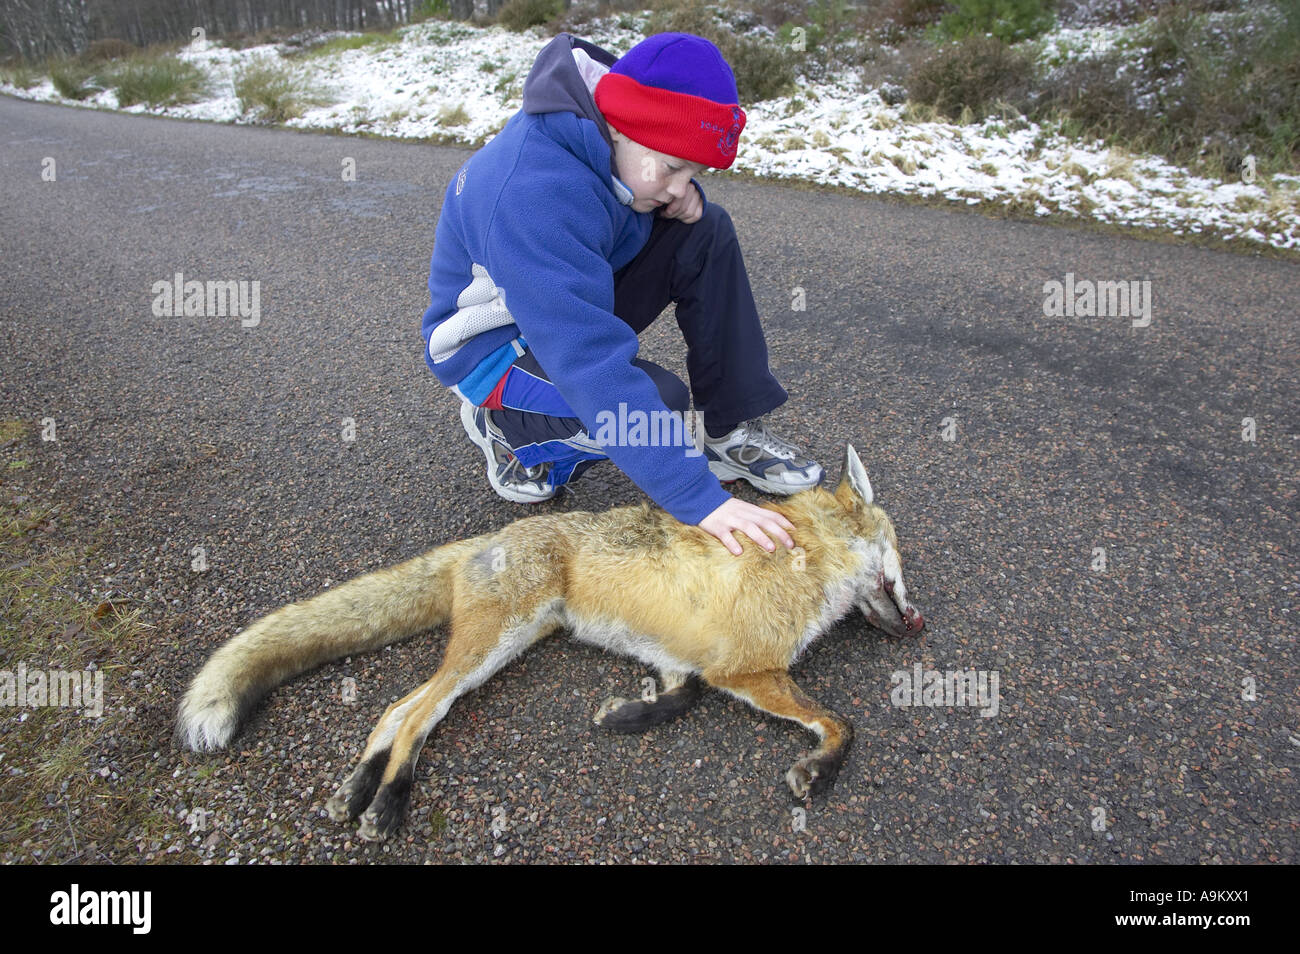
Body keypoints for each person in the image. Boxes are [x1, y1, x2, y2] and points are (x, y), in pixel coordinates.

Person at [420, 31, 823, 556]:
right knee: (659, 404)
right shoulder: (534, 190)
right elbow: (588, 360)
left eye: (693, 171)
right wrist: (697, 498)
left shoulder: (612, 141)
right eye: (674, 168)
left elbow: (630, 198)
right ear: (622, 128)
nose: (680, 185)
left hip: (559, 305)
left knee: (705, 230)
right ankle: (507, 429)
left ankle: (726, 432)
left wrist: (673, 197)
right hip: (495, 348)